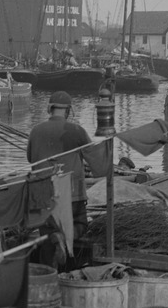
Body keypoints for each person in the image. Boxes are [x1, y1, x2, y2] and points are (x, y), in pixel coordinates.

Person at [27, 90, 111, 267]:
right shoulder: (76, 131)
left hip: (42, 195)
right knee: (80, 225)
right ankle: (64, 239)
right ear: (68, 110)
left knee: (46, 239)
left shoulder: (35, 131)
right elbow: (99, 165)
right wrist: (107, 144)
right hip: (71, 194)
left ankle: (49, 277)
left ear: (50, 108)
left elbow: (30, 158)